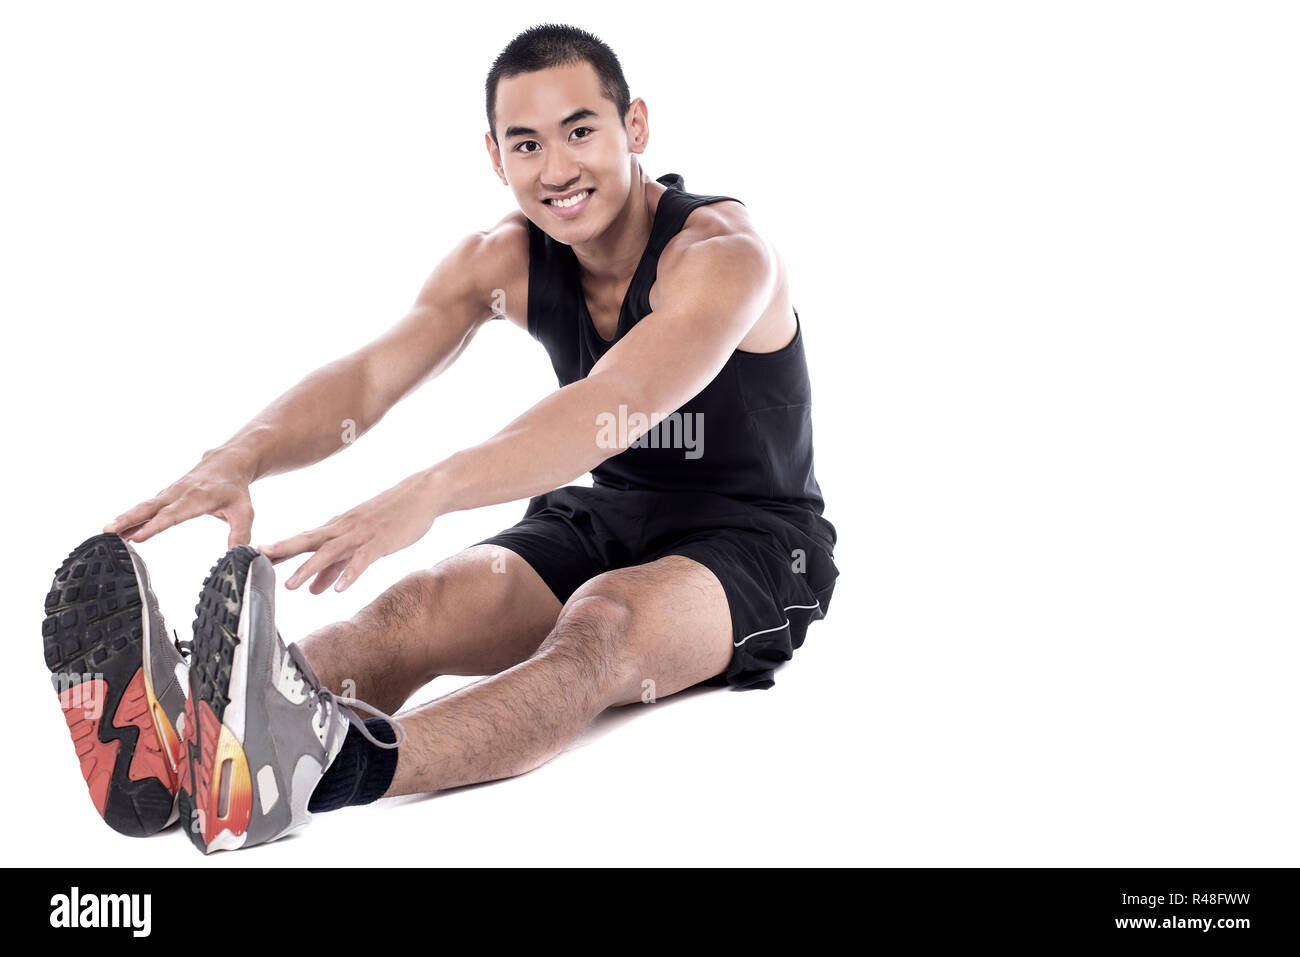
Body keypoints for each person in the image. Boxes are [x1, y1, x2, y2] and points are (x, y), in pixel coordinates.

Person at [42, 22, 838, 854]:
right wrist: (237, 457)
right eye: (526, 143)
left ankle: (334, 762)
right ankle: (209, 733)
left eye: (580, 131)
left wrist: (432, 489)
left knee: (603, 623)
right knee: (420, 603)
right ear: (497, 159)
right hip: (609, 514)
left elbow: (616, 403)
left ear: (635, 126)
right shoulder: (502, 257)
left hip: (755, 540)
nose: (558, 169)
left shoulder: (722, 255)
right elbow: (368, 377)